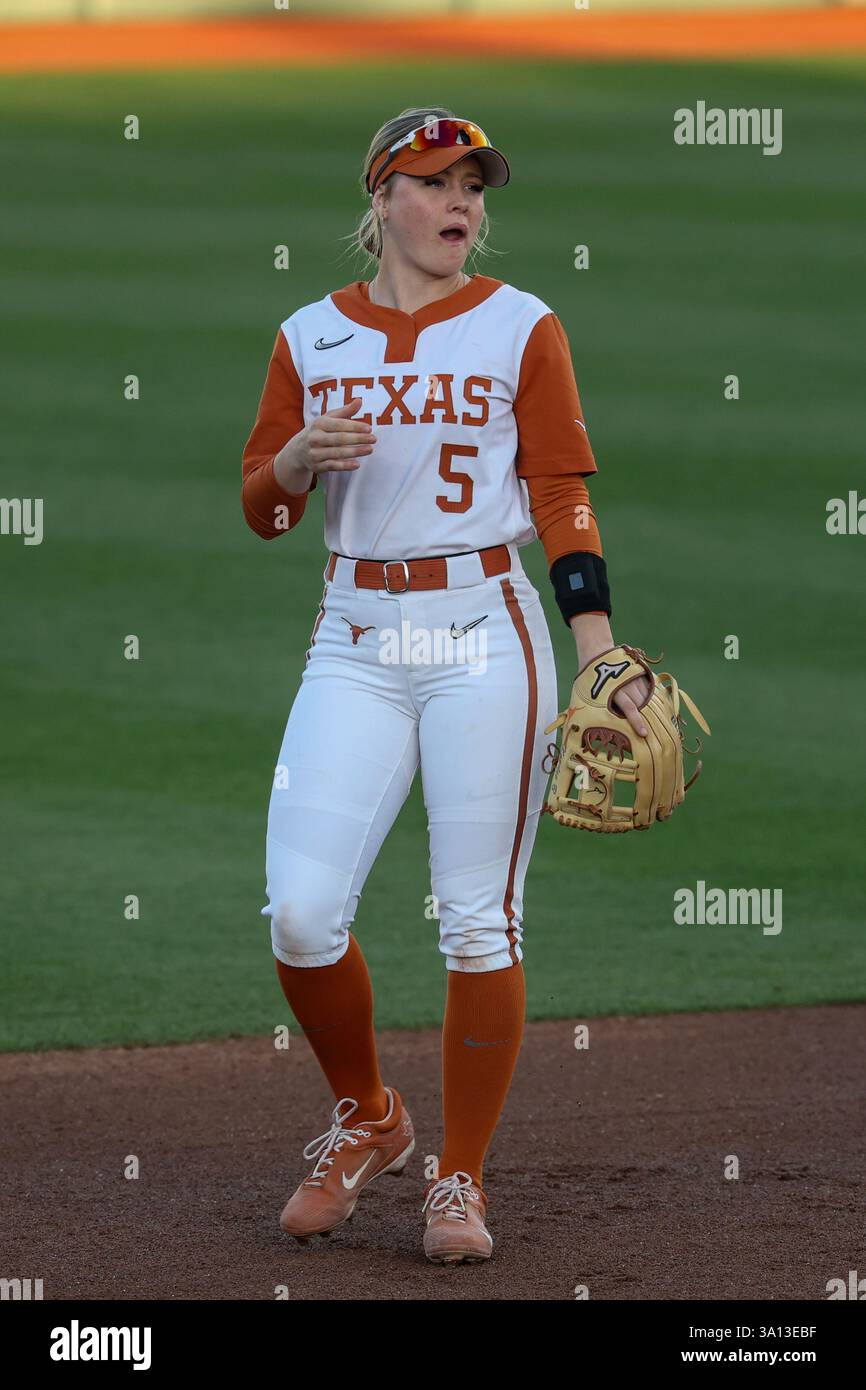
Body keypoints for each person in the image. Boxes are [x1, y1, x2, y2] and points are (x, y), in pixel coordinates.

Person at [241, 107, 649, 1265]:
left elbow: (562, 493)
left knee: (477, 919)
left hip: (486, 630)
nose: (459, 201)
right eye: (431, 182)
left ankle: (456, 1179)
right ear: (379, 201)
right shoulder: (308, 334)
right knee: (302, 914)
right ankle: (368, 1117)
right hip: (353, 638)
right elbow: (262, 512)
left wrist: (597, 648)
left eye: (473, 183)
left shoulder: (522, 325)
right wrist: (291, 462)